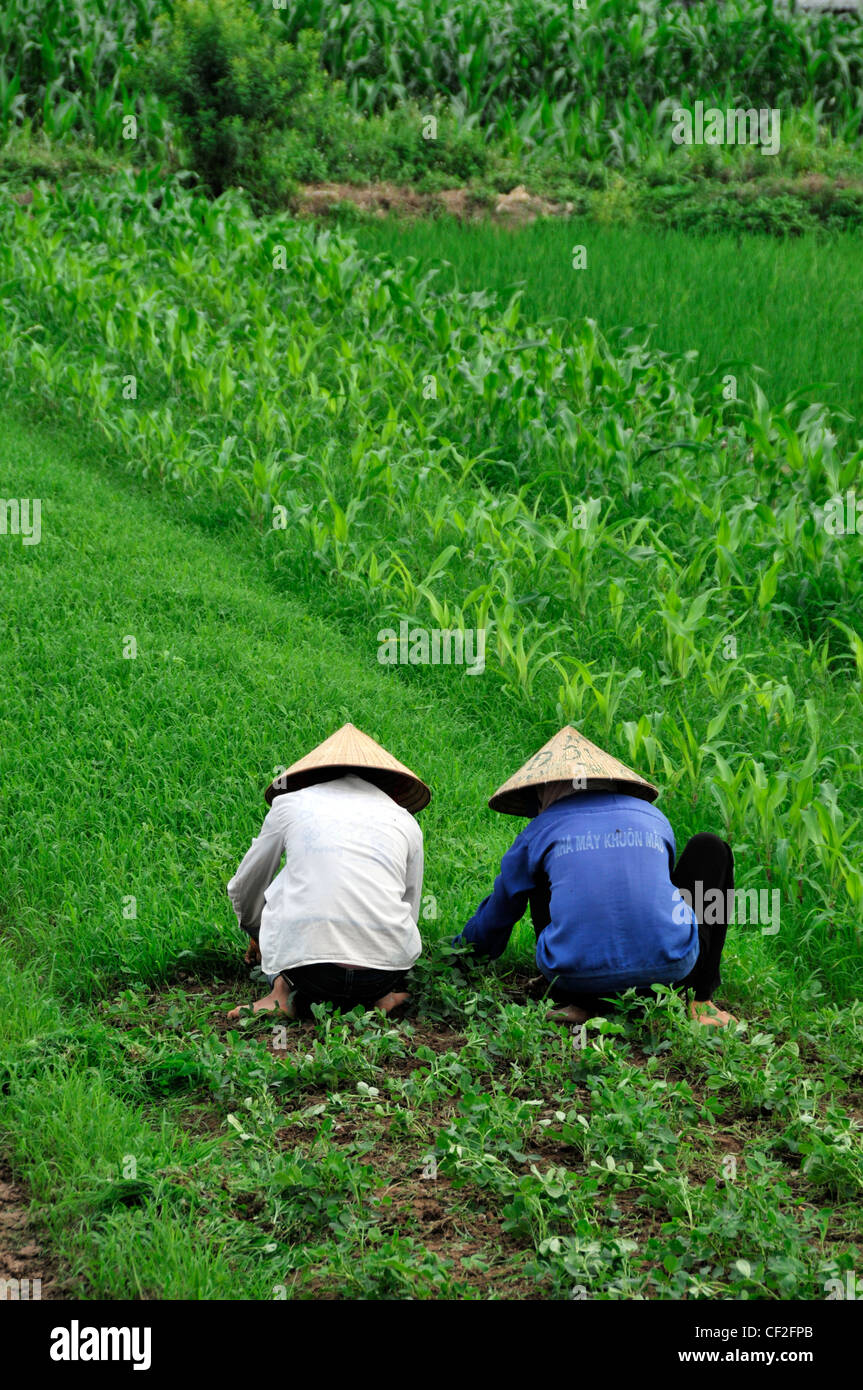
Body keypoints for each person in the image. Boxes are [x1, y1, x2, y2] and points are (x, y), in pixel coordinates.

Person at [454, 725, 738, 1028]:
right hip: (671, 973)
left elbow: (499, 915)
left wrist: (458, 955)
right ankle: (700, 999)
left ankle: (581, 1004)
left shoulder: (539, 830)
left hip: (575, 979)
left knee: (538, 870)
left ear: (545, 793)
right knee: (711, 848)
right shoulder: (653, 818)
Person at [226, 722, 430, 1021]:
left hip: (308, 975)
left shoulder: (290, 804)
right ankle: (380, 998)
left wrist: (258, 934)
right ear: (385, 783)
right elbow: (410, 910)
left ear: (314, 775)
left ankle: (281, 993)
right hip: (382, 975)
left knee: (286, 885)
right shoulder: (405, 821)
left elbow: (244, 887)